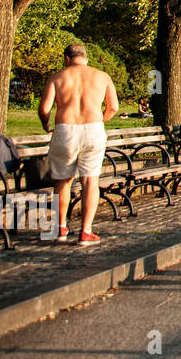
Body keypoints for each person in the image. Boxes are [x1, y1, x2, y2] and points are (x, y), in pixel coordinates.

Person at [39, 43, 120, 245]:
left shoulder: (58, 77)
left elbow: (44, 108)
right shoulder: (102, 76)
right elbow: (114, 107)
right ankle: (85, 231)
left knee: (63, 181)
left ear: (67, 58)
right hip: (93, 128)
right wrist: (100, 120)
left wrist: (46, 123)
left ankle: (61, 229)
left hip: (66, 128)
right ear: (85, 58)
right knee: (90, 181)